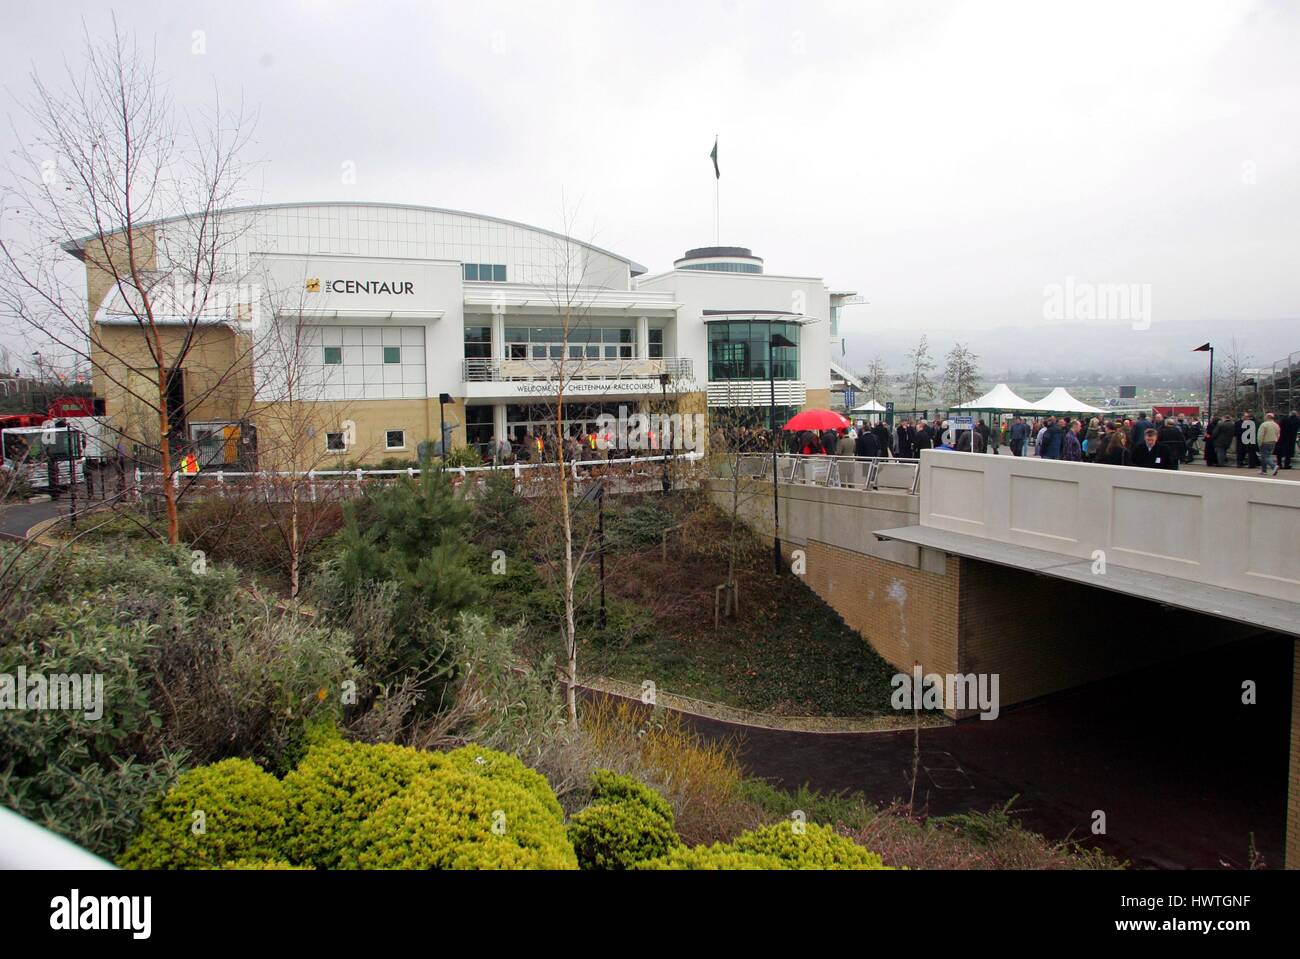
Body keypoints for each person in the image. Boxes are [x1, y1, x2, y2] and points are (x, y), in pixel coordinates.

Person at [1258, 412, 1280, 476]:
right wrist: (1275, 440)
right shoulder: (1276, 425)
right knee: (1265, 456)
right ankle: (1263, 470)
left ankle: (1274, 466)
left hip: (1265, 442)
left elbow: (1260, 435)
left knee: (1265, 457)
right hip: (1273, 442)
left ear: (1267, 417)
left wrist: (1260, 443)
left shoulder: (1264, 424)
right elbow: (1278, 434)